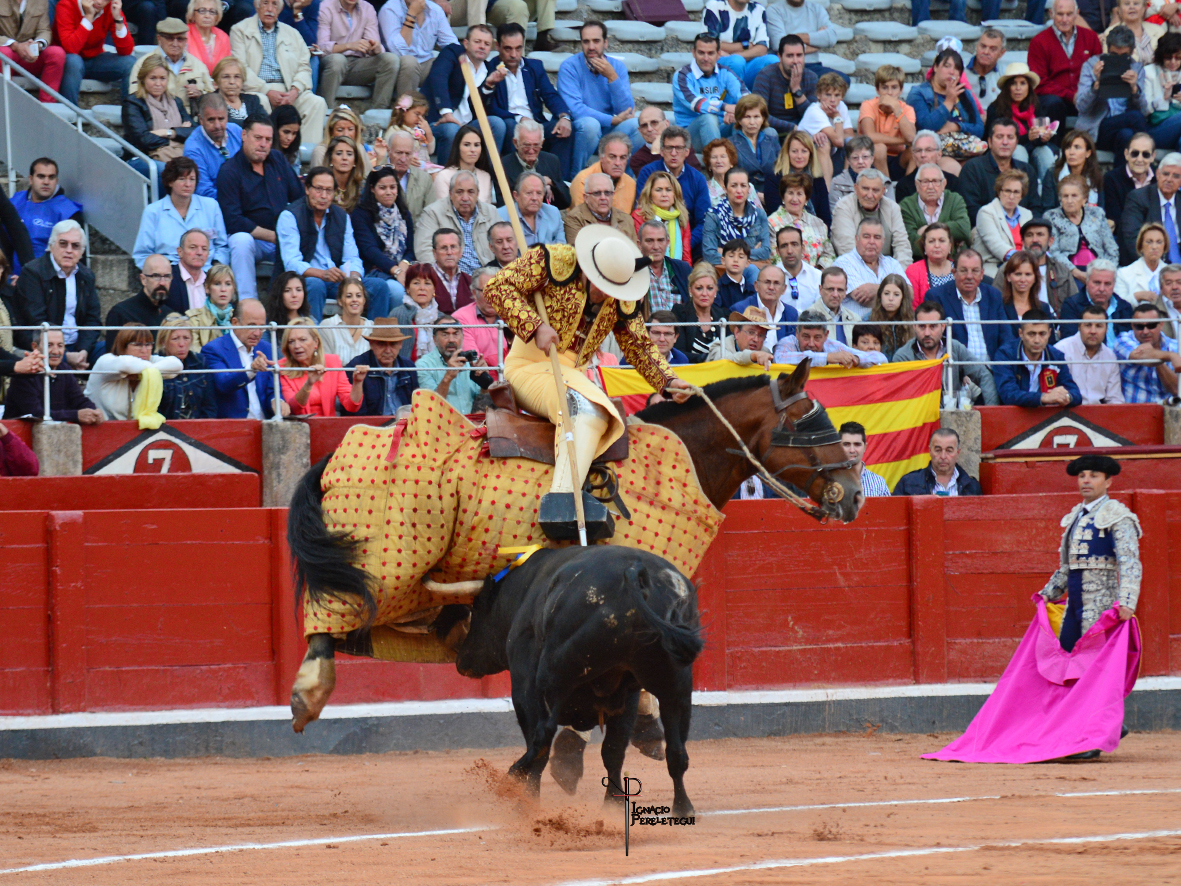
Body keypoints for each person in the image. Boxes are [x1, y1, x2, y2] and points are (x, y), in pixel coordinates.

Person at [482, 225, 694, 539]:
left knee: (591, 403)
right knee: (585, 407)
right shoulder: (551, 260)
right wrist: (535, 326)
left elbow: (638, 345)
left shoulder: (621, 295)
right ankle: (563, 499)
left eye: (614, 290)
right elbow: (497, 288)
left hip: (571, 373)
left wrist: (668, 380)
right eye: (601, 285)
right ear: (588, 268)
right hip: (529, 364)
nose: (606, 295)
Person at [1039, 453, 1140, 669]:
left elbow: (1130, 562)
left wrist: (1127, 602)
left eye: (1094, 476)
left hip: (1101, 605)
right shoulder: (1076, 516)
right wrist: (1048, 593)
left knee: (1097, 664)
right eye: (1082, 476)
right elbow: (1068, 566)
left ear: (1108, 482)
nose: (1086, 480)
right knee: (1068, 656)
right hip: (1074, 604)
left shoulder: (1119, 516)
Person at [217, 114, 303, 300]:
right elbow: (233, 220)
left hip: (282, 236)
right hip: (255, 240)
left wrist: (287, 233)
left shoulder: (278, 159)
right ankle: (248, 303)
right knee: (240, 241)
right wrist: (272, 236)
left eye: (268, 140)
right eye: (258, 138)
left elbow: (299, 197)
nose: (263, 144)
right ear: (244, 135)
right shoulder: (229, 171)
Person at [485, 24, 576, 181]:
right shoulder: (489, 68)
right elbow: (490, 108)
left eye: (518, 48)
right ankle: (515, 181)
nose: (514, 54)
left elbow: (550, 95)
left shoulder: (534, 67)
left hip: (535, 123)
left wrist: (564, 116)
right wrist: (519, 118)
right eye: (508, 49)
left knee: (564, 130)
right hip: (510, 122)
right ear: (498, 46)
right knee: (508, 126)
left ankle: (559, 183)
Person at [275, 166, 365, 321]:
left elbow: (352, 258)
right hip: (305, 280)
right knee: (315, 285)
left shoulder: (342, 217)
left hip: (337, 280)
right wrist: (323, 274)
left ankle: (371, 339)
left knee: (377, 287)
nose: (323, 195)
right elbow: (291, 263)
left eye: (329, 190)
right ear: (307, 189)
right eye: (318, 189)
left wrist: (353, 279)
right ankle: (312, 340)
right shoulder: (290, 216)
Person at [230, 0, 327, 137]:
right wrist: (267, 90)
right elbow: (240, 68)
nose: (270, 8)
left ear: (280, 9)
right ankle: (267, 153)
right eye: (265, 3)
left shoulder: (292, 33)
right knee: (260, 101)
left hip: (289, 89)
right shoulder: (240, 30)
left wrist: (295, 90)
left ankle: (304, 154)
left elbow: (304, 67)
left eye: (274, 4)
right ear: (257, 7)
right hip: (258, 89)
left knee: (316, 103)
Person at [554, 21, 639, 174]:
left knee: (636, 125)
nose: (591, 47)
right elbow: (575, 109)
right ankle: (575, 178)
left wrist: (612, 77)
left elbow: (627, 110)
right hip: (582, 131)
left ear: (605, 43)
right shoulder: (569, 67)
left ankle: (624, 181)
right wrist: (611, 120)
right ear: (581, 43)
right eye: (586, 41)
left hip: (609, 131)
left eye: (596, 41)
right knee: (590, 125)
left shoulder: (617, 67)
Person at [12, 220, 100, 365]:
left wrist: (83, 351)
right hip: (42, 345)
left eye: (75, 246)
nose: (69, 250)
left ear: (82, 251)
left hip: (78, 346)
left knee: (112, 352)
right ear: (51, 246)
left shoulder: (86, 276)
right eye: (63, 244)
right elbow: (36, 320)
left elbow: (93, 319)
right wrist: (65, 355)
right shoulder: (33, 272)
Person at [422, 25, 507, 163]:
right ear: (466, 43)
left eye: (486, 44)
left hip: (467, 127)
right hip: (438, 124)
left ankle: (488, 174)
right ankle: (447, 177)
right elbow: (438, 77)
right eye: (477, 41)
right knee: (451, 129)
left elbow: (480, 108)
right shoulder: (452, 53)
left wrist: (488, 85)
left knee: (497, 124)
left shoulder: (489, 68)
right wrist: (446, 113)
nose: (482, 46)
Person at [892, 300, 1000, 405]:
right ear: (914, 326)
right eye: (922, 326)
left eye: (933, 326)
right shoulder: (903, 356)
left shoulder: (954, 347)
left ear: (943, 327)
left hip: (954, 417)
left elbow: (984, 374)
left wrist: (992, 412)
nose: (927, 333)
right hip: (920, 418)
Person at [133, 158, 229, 271]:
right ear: (170, 181)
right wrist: (162, 272)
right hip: (169, 273)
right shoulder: (153, 211)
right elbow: (142, 254)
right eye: (182, 179)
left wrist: (215, 268)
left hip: (205, 270)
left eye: (192, 179)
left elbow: (222, 246)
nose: (188, 184)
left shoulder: (211, 206)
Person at [201, 297, 284, 417]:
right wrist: (251, 369)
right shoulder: (214, 349)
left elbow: (273, 389)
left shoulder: (267, 348)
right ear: (235, 323)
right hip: (233, 429)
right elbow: (223, 384)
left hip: (266, 425)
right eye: (251, 326)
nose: (257, 333)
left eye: (261, 327)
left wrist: (277, 401)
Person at [1076, 26, 1151, 158]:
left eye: (1124, 56)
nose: (1118, 60)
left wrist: (1134, 89)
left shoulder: (1136, 68)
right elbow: (1082, 107)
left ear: (1132, 52)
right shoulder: (1091, 65)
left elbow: (1144, 111)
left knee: (1126, 135)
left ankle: (1120, 176)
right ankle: (1148, 154)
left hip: (1123, 126)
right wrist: (1096, 86)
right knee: (1135, 117)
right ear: (1107, 49)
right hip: (1098, 128)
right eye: (1114, 55)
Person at [83, 323, 184, 420]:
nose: (144, 350)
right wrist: (150, 370)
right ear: (123, 346)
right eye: (138, 345)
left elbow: (177, 365)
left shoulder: (148, 361)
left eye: (148, 344)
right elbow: (127, 364)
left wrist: (142, 372)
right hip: (99, 430)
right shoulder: (106, 360)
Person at [1028, 0, 1103, 130]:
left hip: (1086, 95)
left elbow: (1099, 70)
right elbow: (1039, 82)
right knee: (1052, 103)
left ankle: (1094, 144)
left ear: (1077, 14)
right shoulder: (1038, 42)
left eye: (1069, 14)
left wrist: (1085, 94)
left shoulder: (1091, 37)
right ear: (1051, 14)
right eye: (1060, 14)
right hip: (1056, 99)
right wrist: (1070, 95)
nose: (1065, 19)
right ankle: (1054, 146)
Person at [635, 126, 711, 254]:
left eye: (679, 148)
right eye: (669, 148)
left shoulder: (698, 179)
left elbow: (703, 221)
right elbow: (642, 210)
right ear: (662, 151)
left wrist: (682, 244)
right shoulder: (647, 173)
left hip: (689, 243)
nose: (674, 153)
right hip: (652, 243)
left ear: (687, 151)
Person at [3, 328, 102, 423]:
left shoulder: (64, 369)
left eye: (60, 345)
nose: (55, 351)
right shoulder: (25, 374)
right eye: (49, 345)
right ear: (34, 347)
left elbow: (78, 399)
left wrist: (93, 410)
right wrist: (76, 415)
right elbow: (36, 414)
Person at [928, 248, 1010, 361]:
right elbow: (934, 340)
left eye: (975, 271)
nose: (969, 276)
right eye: (963, 270)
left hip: (992, 370)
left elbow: (1006, 337)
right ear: (954, 273)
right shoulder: (937, 297)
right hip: (955, 371)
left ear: (982, 274)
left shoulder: (993, 296)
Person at [122, 55, 194, 184]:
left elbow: (194, 132)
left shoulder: (176, 102)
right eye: (153, 78)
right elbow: (142, 140)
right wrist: (178, 136)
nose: (158, 84)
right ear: (143, 79)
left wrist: (168, 132)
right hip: (142, 157)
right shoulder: (132, 103)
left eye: (162, 78)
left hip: (177, 156)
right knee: (171, 172)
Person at [316, 0, 398, 109]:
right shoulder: (325, 6)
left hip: (358, 64)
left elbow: (373, 41)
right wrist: (348, 46)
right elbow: (320, 48)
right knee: (338, 60)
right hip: (331, 63)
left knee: (390, 59)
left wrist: (376, 48)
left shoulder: (367, 8)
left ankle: (378, 112)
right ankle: (326, 110)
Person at [352, 166, 412, 315]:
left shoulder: (404, 213)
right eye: (382, 188)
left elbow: (411, 249)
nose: (388, 192)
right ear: (372, 189)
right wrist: (396, 272)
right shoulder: (361, 214)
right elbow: (370, 250)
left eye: (393, 187)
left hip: (402, 269)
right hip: (375, 271)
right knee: (398, 292)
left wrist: (403, 268)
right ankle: (386, 334)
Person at [993, 307, 1083, 407]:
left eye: (1042, 334)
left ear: (1049, 333)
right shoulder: (1005, 355)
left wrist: (1066, 396)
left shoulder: (1056, 356)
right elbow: (1008, 394)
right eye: (1031, 334)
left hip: (1047, 418)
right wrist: (1043, 397)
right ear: (1021, 334)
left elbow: (1076, 394)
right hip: (1012, 418)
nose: (1037, 340)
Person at [673, 33, 748, 153]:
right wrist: (726, 107)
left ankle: (745, 167)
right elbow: (696, 103)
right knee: (708, 118)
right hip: (689, 136)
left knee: (742, 120)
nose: (706, 58)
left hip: (720, 128)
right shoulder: (682, 76)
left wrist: (737, 113)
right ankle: (716, 166)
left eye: (711, 53)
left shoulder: (725, 73)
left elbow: (746, 98)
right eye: (701, 53)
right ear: (694, 53)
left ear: (719, 54)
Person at [986, 62, 1057, 186]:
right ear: (1007, 87)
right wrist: (1026, 138)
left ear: (1028, 87)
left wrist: (1043, 138)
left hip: (1033, 151)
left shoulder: (1036, 105)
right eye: (1014, 83)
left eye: (1023, 83)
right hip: (1007, 151)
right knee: (1019, 150)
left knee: (1045, 151)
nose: (1018, 88)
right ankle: (1019, 191)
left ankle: (1049, 195)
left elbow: (1038, 140)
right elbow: (994, 140)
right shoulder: (995, 108)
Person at [959, 118, 1040, 226]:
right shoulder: (973, 168)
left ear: (1016, 143)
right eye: (999, 137)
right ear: (990, 142)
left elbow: (1035, 208)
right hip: (984, 228)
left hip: (1021, 230)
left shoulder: (1027, 170)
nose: (1005, 142)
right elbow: (971, 210)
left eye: (1010, 137)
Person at [274, 317, 363, 415]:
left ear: (316, 342)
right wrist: (309, 383)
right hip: (298, 427)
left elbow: (351, 406)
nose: (297, 346)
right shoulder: (282, 367)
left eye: (302, 340)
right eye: (291, 342)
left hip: (328, 426)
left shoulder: (332, 362)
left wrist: (358, 383)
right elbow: (294, 408)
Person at [415, 171, 498, 274]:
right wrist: (445, 276)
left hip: (488, 276)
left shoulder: (491, 212)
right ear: (450, 193)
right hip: (451, 277)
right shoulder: (433, 213)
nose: (465, 198)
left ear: (478, 193)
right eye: (459, 192)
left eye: (471, 192)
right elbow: (424, 251)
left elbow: (503, 246)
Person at [1045, 175, 1120, 287]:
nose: (1069, 201)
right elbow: (1054, 252)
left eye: (1074, 196)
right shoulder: (1052, 217)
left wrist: (1106, 272)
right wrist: (1076, 273)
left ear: (1084, 199)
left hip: (1100, 270)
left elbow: (1112, 248)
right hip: (1068, 273)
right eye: (1065, 196)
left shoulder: (1097, 213)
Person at [57, 0, 136, 105]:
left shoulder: (110, 8)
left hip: (96, 58)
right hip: (70, 60)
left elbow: (126, 50)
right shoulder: (66, 5)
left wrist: (118, 19)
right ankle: (69, 114)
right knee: (73, 62)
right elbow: (71, 48)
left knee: (131, 63)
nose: (99, 2)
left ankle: (130, 114)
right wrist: (89, 16)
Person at [10, 158, 83, 268]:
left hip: (45, 279)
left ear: (56, 181)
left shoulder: (68, 212)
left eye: (51, 177)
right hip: (8, 275)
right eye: (41, 176)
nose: (46, 182)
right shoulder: (15, 201)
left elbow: (74, 256)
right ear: (31, 179)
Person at [376, 0, 457, 96]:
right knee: (409, 62)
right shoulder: (390, 9)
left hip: (425, 65)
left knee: (452, 61)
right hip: (398, 68)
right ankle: (405, 107)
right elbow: (398, 50)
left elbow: (452, 44)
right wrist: (411, 15)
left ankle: (446, 108)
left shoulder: (435, 10)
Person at [831, 169, 911, 266]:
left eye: (875, 190)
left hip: (888, 270)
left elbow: (902, 245)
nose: (870, 195)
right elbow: (846, 247)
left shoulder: (892, 208)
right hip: (854, 269)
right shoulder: (843, 206)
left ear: (882, 191)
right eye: (865, 189)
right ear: (856, 188)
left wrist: (898, 276)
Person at [833, 216, 907, 322]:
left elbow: (909, 294)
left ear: (883, 241)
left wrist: (875, 289)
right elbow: (863, 299)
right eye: (866, 236)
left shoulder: (892, 263)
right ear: (856, 239)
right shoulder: (844, 263)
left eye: (877, 237)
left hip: (891, 328)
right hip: (856, 329)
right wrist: (896, 292)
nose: (871, 242)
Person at [909, 48, 985, 149]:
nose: (952, 72)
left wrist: (956, 126)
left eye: (957, 68)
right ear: (935, 67)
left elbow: (979, 129)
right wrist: (949, 102)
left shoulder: (965, 93)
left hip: (965, 149)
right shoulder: (919, 93)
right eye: (947, 66)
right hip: (934, 151)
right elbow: (925, 127)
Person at [127, 17, 215, 104]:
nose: (175, 44)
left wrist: (200, 95)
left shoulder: (198, 65)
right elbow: (135, 97)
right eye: (170, 38)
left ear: (186, 40)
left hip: (190, 116)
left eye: (180, 39)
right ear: (159, 39)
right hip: (155, 114)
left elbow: (212, 97)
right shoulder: (143, 64)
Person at [414, 312, 489, 413]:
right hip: (441, 425)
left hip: (473, 424)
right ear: (434, 340)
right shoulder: (423, 365)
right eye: (445, 335)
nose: (451, 340)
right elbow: (430, 407)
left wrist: (485, 383)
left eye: (456, 334)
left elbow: (483, 406)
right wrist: (448, 377)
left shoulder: (472, 363)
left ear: (462, 337)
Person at [104, 254, 180, 351]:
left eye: (167, 276)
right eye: (156, 276)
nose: (162, 282)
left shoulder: (169, 315)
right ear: (143, 279)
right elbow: (114, 358)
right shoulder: (121, 313)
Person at [343, 317, 416, 415]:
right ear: (371, 345)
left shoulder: (408, 366)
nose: (388, 350)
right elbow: (356, 413)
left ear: (400, 344)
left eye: (393, 344)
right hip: (372, 427)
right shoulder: (356, 366)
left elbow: (416, 404)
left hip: (405, 424)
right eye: (381, 344)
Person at [772, 305, 887, 367]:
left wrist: (857, 359)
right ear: (797, 333)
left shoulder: (833, 346)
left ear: (826, 335)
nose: (811, 344)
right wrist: (827, 358)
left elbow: (880, 358)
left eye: (817, 338)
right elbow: (779, 359)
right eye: (806, 337)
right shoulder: (787, 342)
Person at [1056, 303, 1127, 403]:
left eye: (1099, 326)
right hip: (1066, 413)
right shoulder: (1061, 350)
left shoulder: (1109, 356)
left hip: (1099, 414)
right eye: (1088, 325)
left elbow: (1114, 399)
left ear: (1106, 329)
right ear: (1079, 326)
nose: (1093, 331)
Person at [1120, 151, 1181, 266]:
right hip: (1150, 264)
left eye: (1176, 176)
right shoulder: (1138, 198)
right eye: (1165, 174)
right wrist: (1154, 266)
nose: (1169, 179)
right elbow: (1133, 239)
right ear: (1157, 174)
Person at [858, 65, 917, 182]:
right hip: (870, 158)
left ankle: (908, 192)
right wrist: (902, 141)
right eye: (885, 88)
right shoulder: (868, 105)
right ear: (877, 89)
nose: (889, 93)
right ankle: (887, 190)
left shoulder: (907, 109)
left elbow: (911, 137)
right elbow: (870, 136)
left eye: (894, 88)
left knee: (915, 151)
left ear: (901, 90)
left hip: (897, 159)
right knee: (880, 148)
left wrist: (896, 109)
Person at [703, 167, 771, 266]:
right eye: (734, 186)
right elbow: (709, 255)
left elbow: (765, 252)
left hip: (751, 270)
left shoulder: (759, 214)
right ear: (725, 189)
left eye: (743, 186)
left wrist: (725, 253)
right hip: (722, 271)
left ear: (749, 189)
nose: (739, 190)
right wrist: (749, 254)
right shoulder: (713, 216)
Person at [1112, 301, 1181, 400]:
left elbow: (1176, 390)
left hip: (1166, 411)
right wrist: (1171, 356)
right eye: (1139, 326)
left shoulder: (1175, 346)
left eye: (1151, 325)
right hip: (1134, 412)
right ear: (1132, 326)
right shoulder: (1123, 340)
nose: (1145, 331)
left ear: (1161, 324)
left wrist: (1156, 356)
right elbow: (1140, 356)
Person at [0, 0, 65, 103]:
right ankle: (5, 104)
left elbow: (44, 30)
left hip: (30, 54)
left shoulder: (41, 1)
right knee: (3, 53)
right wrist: (15, 45)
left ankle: (47, 107)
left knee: (57, 53)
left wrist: (37, 45)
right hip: (6, 52)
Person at [974, 170, 1035, 277]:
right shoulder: (986, 212)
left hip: (1024, 265)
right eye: (1007, 191)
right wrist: (1022, 260)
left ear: (1022, 195)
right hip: (994, 265)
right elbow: (996, 245)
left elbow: (1030, 244)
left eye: (1016, 192)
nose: (1011, 196)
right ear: (999, 192)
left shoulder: (1027, 214)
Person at [500, 119, 571, 212]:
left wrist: (551, 182)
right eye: (526, 145)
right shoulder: (502, 166)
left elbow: (566, 201)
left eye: (536, 145)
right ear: (515, 143)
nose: (531, 150)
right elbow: (503, 204)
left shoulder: (552, 160)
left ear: (542, 143)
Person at [1061, 260, 1135, 347]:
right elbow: (1071, 344)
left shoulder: (1125, 307)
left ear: (1114, 285)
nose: (1102, 289)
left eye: (1107, 284)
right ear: (1087, 282)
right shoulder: (1071, 306)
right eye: (1097, 283)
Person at [156, 314, 218, 419]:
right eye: (175, 339)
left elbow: (210, 405)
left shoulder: (200, 362)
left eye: (186, 338)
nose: (182, 344)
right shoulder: (155, 365)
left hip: (199, 428)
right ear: (163, 342)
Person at [753, 34, 816, 136]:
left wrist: (796, 91)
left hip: (802, 131)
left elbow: (814, 117)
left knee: (821, 136)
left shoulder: (811, 77)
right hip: (774, 130)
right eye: (790, 56)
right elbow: (759, 114)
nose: (795, 61)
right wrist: (792, 127)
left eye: (799, 55)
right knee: (769, 133)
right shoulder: (765, 76)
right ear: (780, 56)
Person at [184, 94, 242, 201]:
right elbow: (204, 192)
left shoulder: (236, 131)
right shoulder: (193, 149)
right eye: (211, 120)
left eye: (221, 119)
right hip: (217, 206)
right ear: (201, 119)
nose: (217, 125)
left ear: (227, 117)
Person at [704, 0, 774, 90]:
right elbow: (708, 44)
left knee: (773, 60)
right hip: (720, 62)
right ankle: (732, 102)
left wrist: (733, 54)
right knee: (736, 62)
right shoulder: (715, 6)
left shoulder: (758, 9)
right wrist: (744, 46)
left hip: (748, 64)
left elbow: (762, 48)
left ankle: (761, 101)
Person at [767, 173, 832, 269]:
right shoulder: (771, 223)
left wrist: (817, 273)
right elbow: (774, 258)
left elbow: (829, 255)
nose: (794, 199)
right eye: (790, 193)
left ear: (806, 198)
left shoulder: (819, 224)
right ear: (783, 197)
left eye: (799, 194)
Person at [892, 428, 982, 496]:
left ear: (957, 453)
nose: (943, 456)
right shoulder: (908, 482)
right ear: (930, 451)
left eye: (949, 450)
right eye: (938, 450)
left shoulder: (972, 486)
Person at [729, 263, 796, 351]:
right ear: (756, 286)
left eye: (776, 283)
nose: (771, 287)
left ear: (784, 289)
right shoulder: (740, 310)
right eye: (767, 282)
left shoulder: (791, 313)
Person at [767, 129, 831, 221]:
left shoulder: (817, 179)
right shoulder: (774, 177)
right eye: (794, 151)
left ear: (811, 154)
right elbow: (774, 211)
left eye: (804, 151)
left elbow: (825, 216)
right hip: (783, 228)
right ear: (787, 153)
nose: (799, 156)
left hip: (815, 229)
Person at [628, 107, 703, 182]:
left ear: (666, 123)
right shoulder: (637, 160)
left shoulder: (682, 146)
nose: (649, 129)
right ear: (640, 131)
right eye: (644, 125)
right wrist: (656, 152)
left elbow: (695, 175)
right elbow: (654, 184)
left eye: (654, 123)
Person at [672, 261, 727, 363]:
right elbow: (678, 352)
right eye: (699, 288)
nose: (705, 293)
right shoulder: (679, 312)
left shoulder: (723, 315)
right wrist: (706, 358)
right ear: (690, 291)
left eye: (710, 288)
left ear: (715, 291)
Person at [633, 171, 692, 265]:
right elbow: (639, 253)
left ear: (675, 194)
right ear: (650, 194)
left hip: (677, 272)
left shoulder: (682, 217)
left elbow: (686, 255)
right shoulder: (640, 216)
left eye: (668, 190)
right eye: (659, 190)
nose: (664, 194)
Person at [789, 265, 857, 344]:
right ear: (820, 290)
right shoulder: (806, 318)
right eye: (830, 289)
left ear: (845, 292)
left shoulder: (855, 319)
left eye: (840, 290)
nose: (835, 294)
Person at [1104, 132, 1157, 232]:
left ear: (1153, 156)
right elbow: (1115, 219)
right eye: (1134, 153)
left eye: (1145, 154)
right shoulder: (1111, 179)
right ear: (1126, 154)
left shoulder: (1160, 178)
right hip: (1126, 238)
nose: (1139, 159)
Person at [728, 94, 778, 198]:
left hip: (774, 195)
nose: (752, 122)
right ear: (739, 119)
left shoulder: (772, 140)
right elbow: (730, 179)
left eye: (756, 117)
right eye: (747, 117)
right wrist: (757, 196)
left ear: (763, 118)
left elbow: (782, 170)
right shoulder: (730, 144)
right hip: (745, 198)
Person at [565, 172, 634, 247]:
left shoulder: (626, 219)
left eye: (607, 193)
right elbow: (579, 252)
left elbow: (635, 253)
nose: (603, 198)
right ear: (586, 198)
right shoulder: (574, 219)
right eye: (597, 193)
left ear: (613, 196)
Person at [1044, 129, 1105, 212]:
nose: (1071, 152)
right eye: (1068, 147)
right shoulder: (1053, 174)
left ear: (1088, 153)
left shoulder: (1097, 175)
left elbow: (1101, 209)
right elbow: (1047, 209)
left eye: (1077, 147)